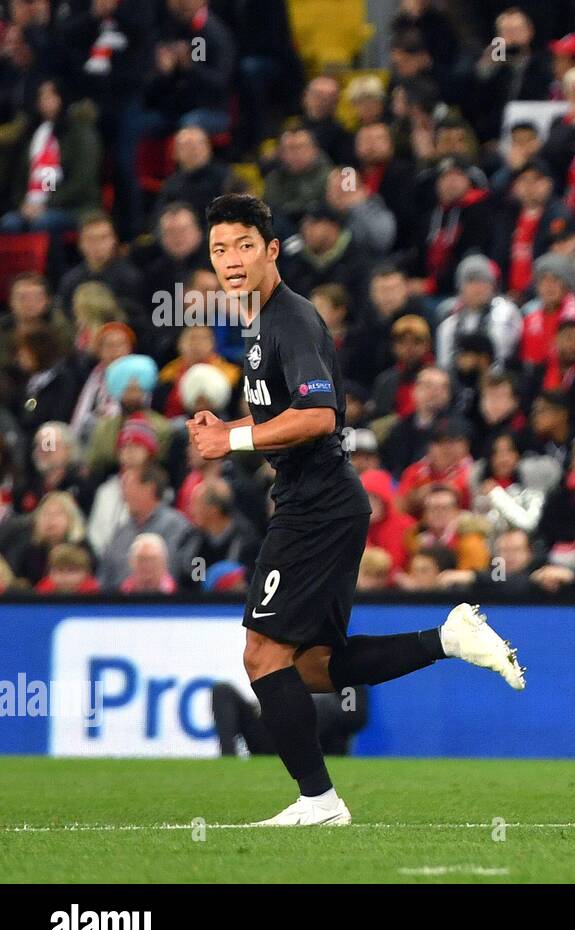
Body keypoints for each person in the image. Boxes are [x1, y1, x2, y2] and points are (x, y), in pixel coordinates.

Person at [187, 194, 525, 827]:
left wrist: (230, 439)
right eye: (218, 249)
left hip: (317, 507)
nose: (229, 260)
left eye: (240, 246)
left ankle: (318, 801)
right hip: (319, 502)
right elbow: (287, 418)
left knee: (261, 656)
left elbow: (317, 416)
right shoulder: (262, 325)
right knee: (311, 664)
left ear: (270, 250)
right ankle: (448, 638)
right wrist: (230, 426)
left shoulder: (289, 319)